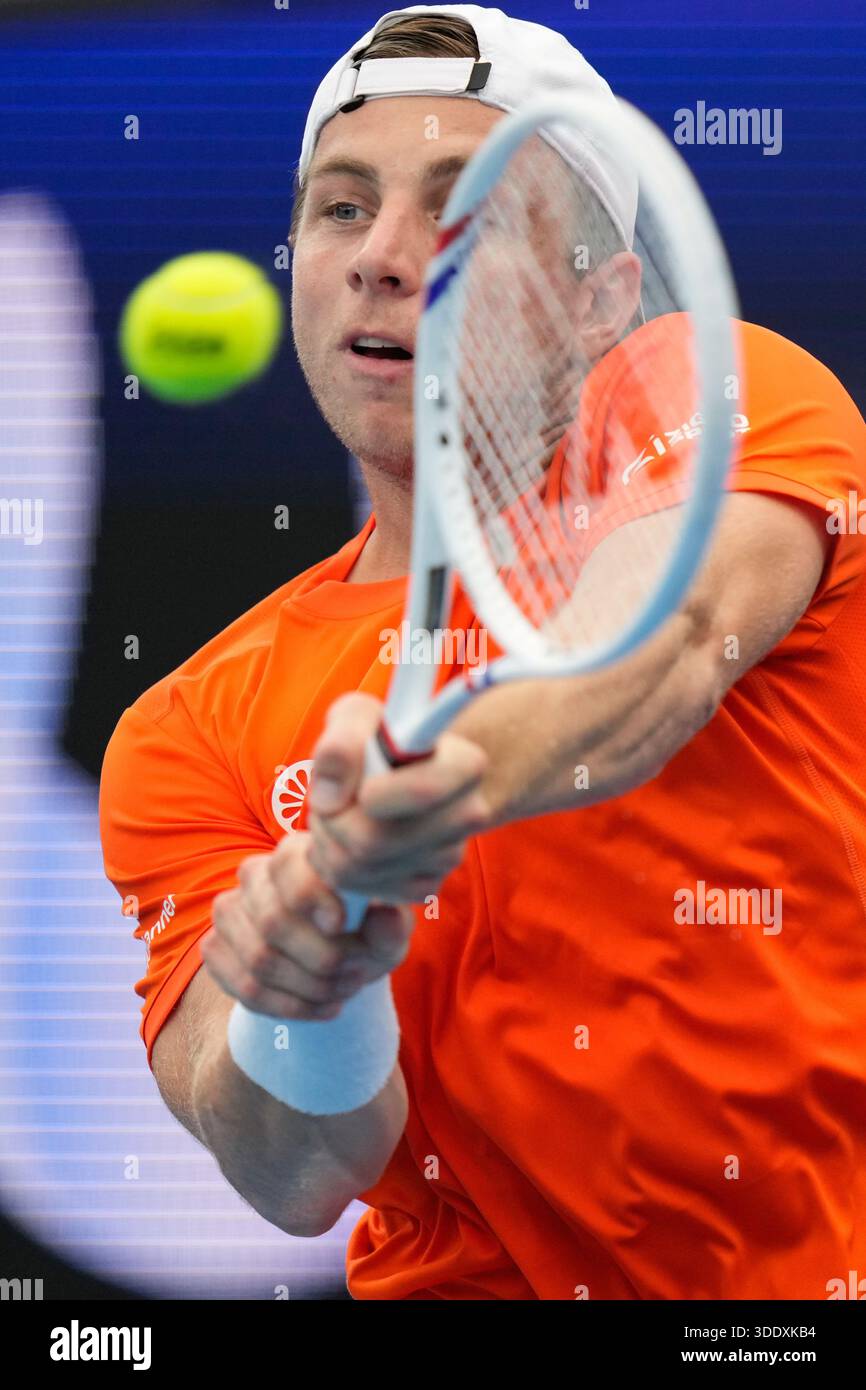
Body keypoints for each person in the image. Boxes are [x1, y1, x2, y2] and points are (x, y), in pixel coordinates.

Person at [100, 5, 866, 1300]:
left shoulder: (720, 388)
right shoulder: (186, 730)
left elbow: (651, 651)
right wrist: (313, 992)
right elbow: (291, 1174)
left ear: (600, 295)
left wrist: (403, 795)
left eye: (466, 208)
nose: (386, 256)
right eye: (342, 209)